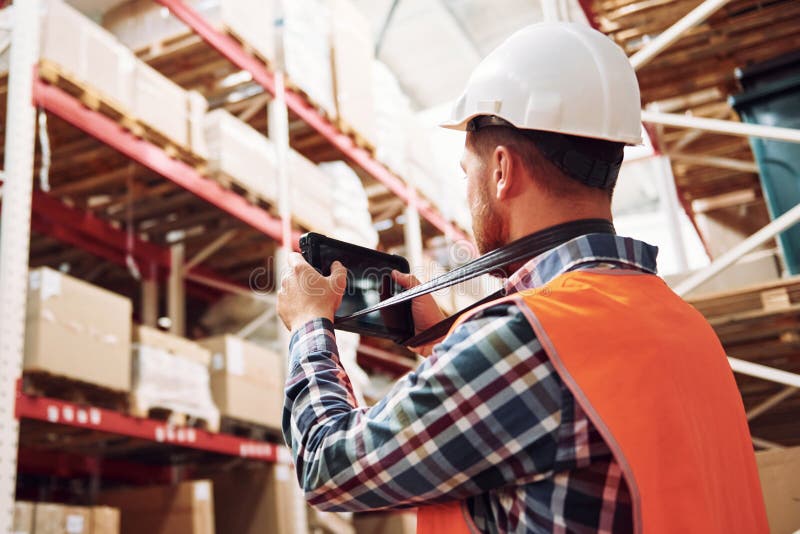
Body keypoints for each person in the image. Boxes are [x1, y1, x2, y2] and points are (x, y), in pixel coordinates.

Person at [277, 22, 768, 534]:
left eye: (468, 174)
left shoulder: (523, 338)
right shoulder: (684, 325)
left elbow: (328, 465)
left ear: (502, 171)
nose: (468, 195)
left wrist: (309, 326)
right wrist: (447, 342)